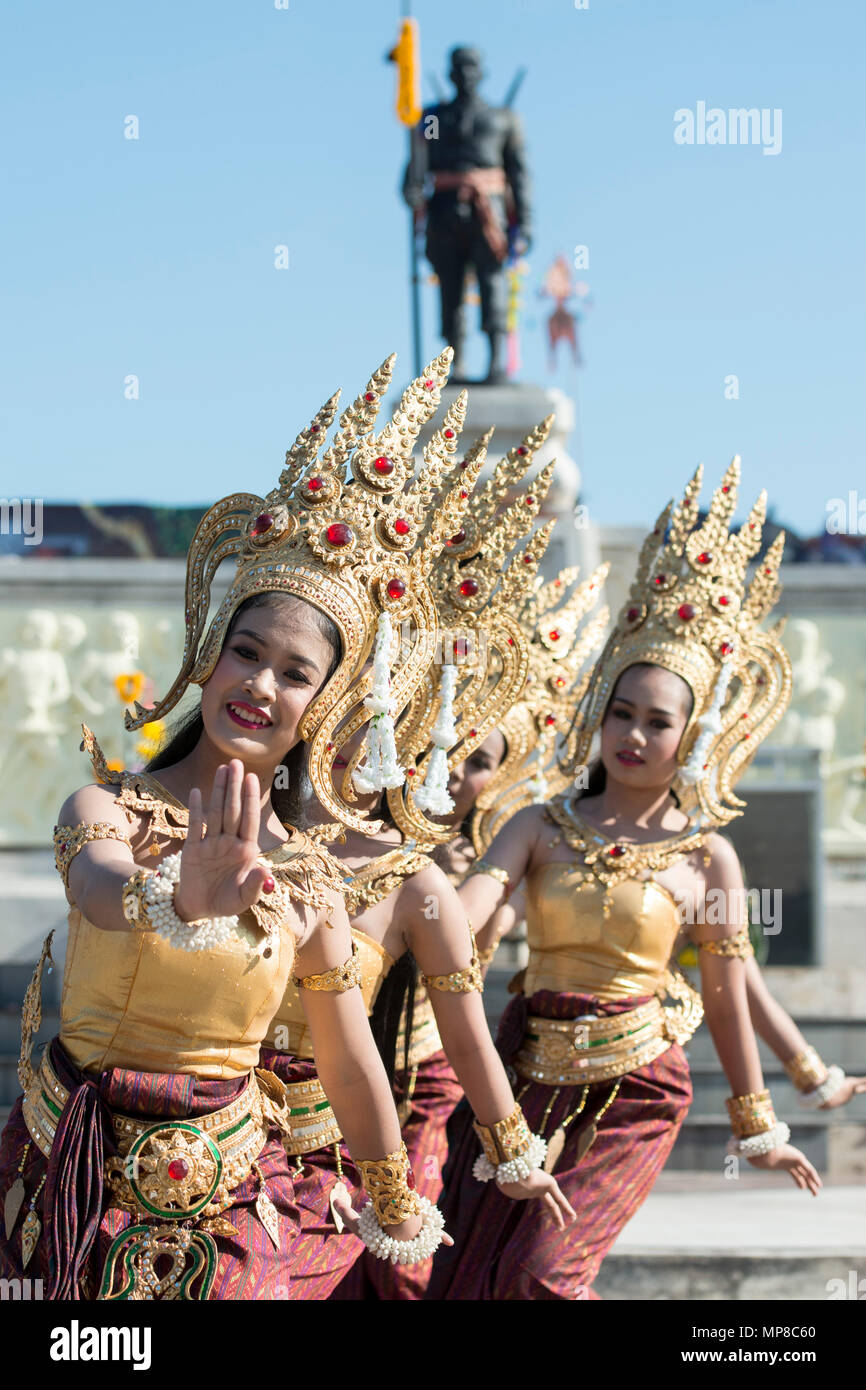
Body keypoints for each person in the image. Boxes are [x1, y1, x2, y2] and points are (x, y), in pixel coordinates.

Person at [0, 347, 520, 1299]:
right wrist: (175, 895)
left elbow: (347, 1054)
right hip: (67, 1181)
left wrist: (393, 1191)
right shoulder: (107, 807)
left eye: (295, 673)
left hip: (234, 1200)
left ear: (323, 706)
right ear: (209, 655)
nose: (261, 686)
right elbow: (100, 891)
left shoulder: (313, 876)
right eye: (247, 652)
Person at [427, 458, 823, 1301]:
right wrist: (403, 889)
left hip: (638, 1088)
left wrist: (757, 1125)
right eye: (622, 713)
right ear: (599, 710)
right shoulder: (537, 826)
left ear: (693, 738)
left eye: (658, 722)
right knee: (472, 1274)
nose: (634, 736)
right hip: (527, 1067)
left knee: (543, 1274)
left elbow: (725, 992)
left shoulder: (709, 857)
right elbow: (463, 919)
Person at [258, 422, 577, 1299]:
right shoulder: (231, 819)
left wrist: (513, 1149)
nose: (362, 734)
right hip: (200, 1128)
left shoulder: (414, 879)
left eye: (386, 716)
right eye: (345, 702)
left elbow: (469, 1031)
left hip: (337, 1137)